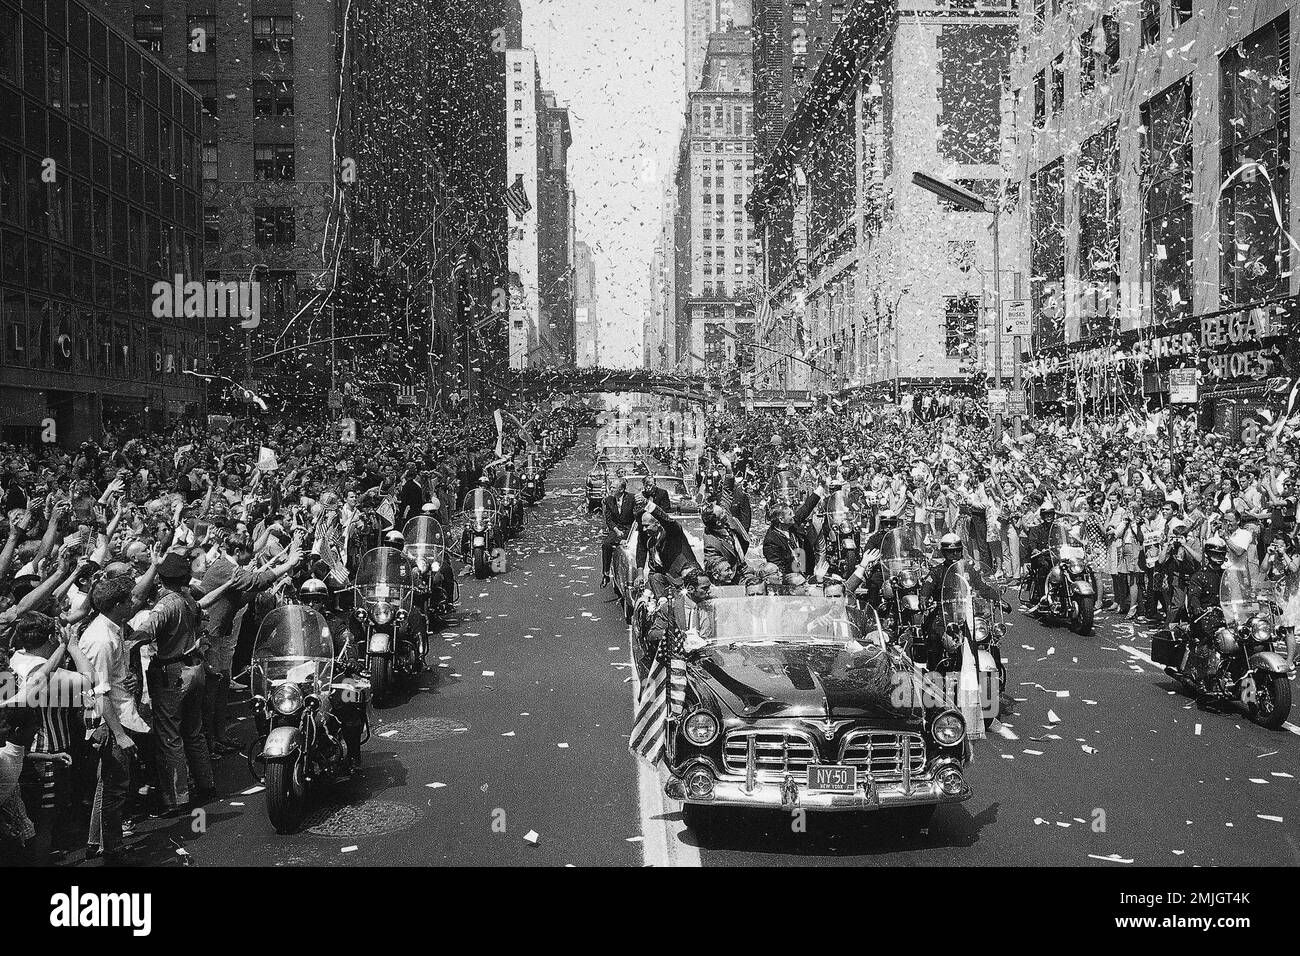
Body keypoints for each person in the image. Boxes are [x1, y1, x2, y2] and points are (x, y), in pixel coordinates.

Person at [129, 552, 215, 815]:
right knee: (194, 731)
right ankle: (206, 784)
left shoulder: (166, 605)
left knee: (169, 737)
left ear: (162, 579)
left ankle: (177, 798)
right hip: (194, 667)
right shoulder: (189, 598)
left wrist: (126, 642)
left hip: (172, 671)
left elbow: (143, 633)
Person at [78, 573, 149, 863]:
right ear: (119, 604)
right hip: (111, 721)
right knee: (116, 789)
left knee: (107, 784)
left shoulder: (114, 628)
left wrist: (128, 679)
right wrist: (119, 733)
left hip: (120, 713)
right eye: (131, 598)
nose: (136, 601)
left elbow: (113, 677)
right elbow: (99, 693)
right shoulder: (101, 639)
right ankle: (113, 848)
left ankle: (98, 841)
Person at [600, 475, 635, 587]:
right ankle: (605, 574)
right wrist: (616, 530)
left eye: (614, 487)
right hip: (616, 529)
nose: (611, 489)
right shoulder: (608, 500)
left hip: (630, 528)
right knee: (606, 545)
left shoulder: (632, 499)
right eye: (611, 487)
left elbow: (636, 517)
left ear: (621, 489)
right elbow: (609, 520)